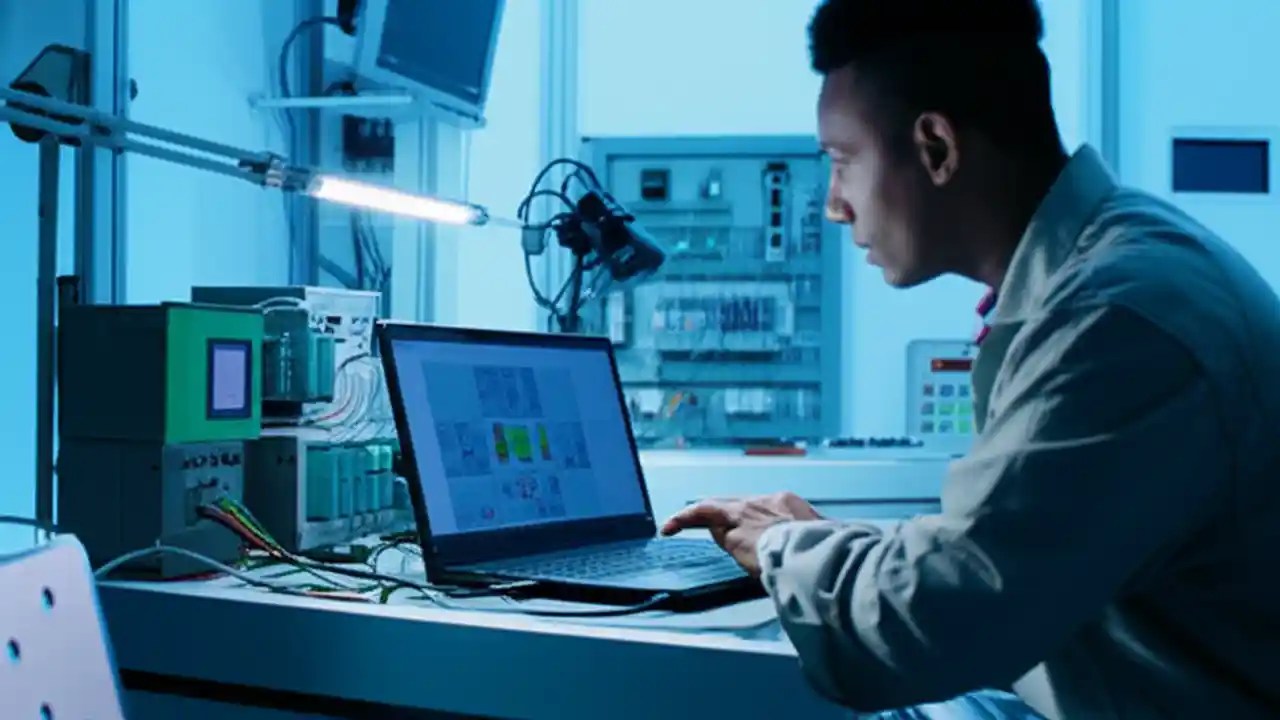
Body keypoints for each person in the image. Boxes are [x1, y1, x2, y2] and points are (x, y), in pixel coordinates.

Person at [660, 1, 1280, 718]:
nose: (835, 206)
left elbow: (941, 623)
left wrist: (784, 549)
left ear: (936, 148)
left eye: (842, 162)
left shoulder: (1115, 320)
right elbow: (1007, 555)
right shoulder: (1112, 267)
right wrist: (829, 547)